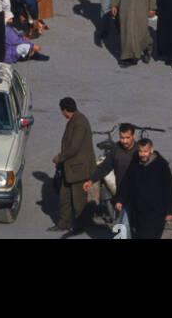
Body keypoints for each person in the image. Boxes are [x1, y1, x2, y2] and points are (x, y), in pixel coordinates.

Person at [51, 97, 95, 235]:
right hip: (70, 168)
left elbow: (74, 147)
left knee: (78, 200)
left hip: (78, 169)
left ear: (64, 110)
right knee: (64, 197)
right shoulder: (75, 120)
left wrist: (60, 157)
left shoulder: (80, 122)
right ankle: (64, 224)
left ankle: (80, 226)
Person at [120, 138, 172, 240]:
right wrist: (120, 199)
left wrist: (171, 211)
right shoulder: (136, 162)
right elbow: (127, 181)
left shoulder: (161, 165)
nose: (142, 154)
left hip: (156, 211)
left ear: (151, 150)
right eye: (140, 151)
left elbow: (169, 188)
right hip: (138, 211)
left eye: (145, 151)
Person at [84, 122, 138, 228]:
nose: (125, 141)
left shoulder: (140, 151)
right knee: (123, 225)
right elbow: (104, 167)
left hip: (138, 195)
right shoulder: (116, 149)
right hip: (121, 194)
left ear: (133, 136)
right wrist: (91, 180)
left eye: (127, 138)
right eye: (122, 138)